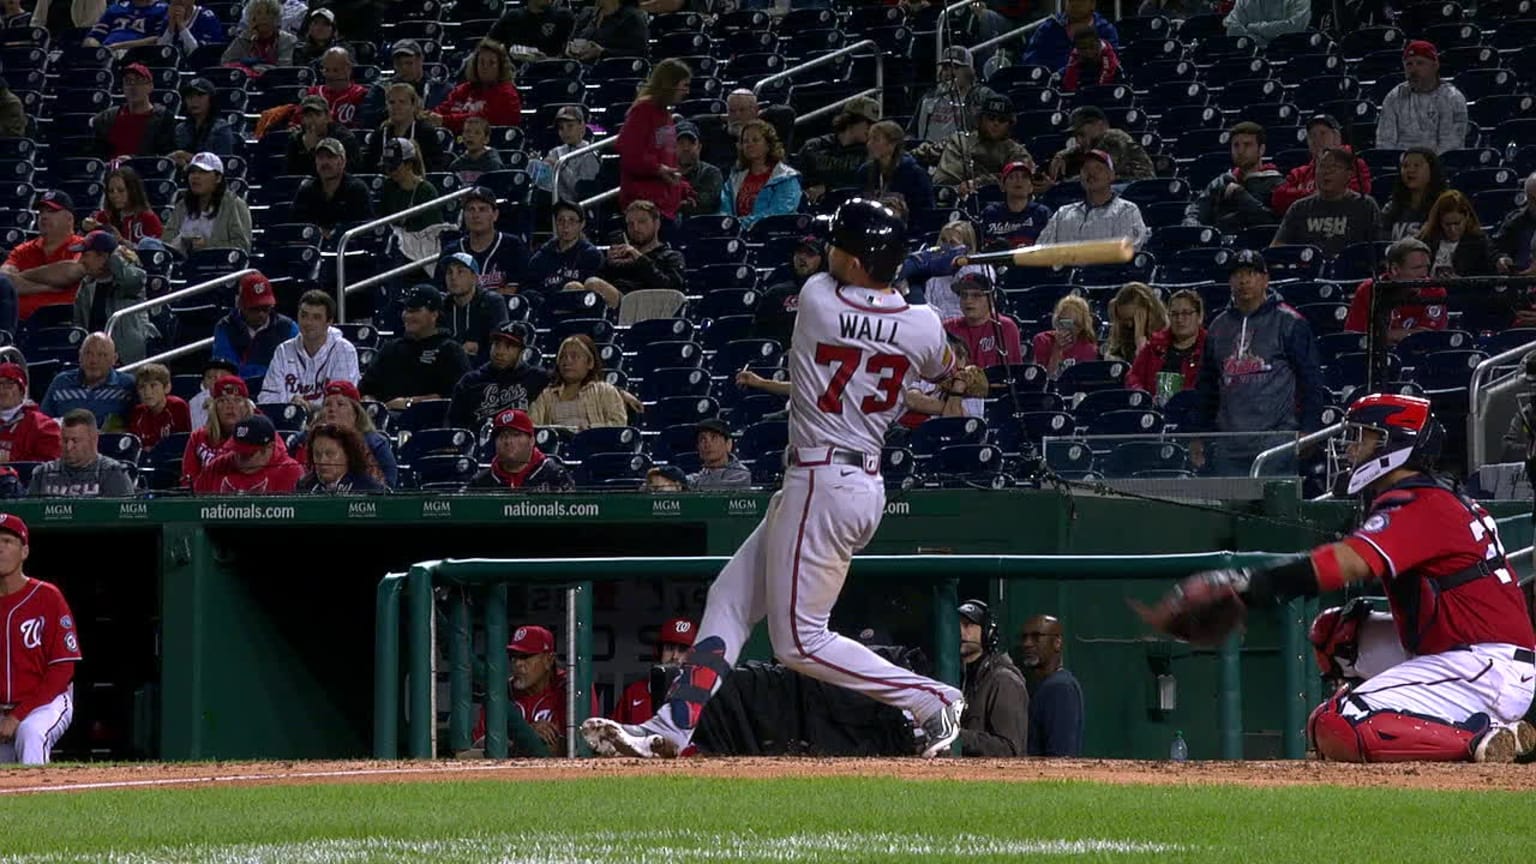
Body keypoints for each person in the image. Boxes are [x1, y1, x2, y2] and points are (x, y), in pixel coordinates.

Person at [581, 199, 969, 761]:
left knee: (799, 641)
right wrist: (932, 290)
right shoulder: (925, 324)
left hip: (824, 482)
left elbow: (861, 297)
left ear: (860, 261)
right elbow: (941, 367)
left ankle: (931, 698)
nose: (828, 251)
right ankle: (672, 727)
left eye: (839, 245)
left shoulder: (818, 300)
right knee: (731, 601)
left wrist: (912, 266)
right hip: (846, 483)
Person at [1141, 393, 1536, 763]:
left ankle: (1481, 739)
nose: (1350, 449)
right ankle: (1400, 720)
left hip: (1484, 663)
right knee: (1336, 634)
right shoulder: (1432, 495)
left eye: (1362, 437)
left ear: (1392, 444)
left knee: (1338, 723)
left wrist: (1250, 586)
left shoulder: (1423, 503)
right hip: (1459, 649)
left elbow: (1344, 564)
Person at [1192, 250, 1327, 475]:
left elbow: (1311, 381)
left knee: (1274, 508)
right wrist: (1199, 434)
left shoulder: (1289, 322)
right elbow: (1207, 388)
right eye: (1237, 275)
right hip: (1228, 443)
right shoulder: (1217, 327)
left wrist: (1309, 430)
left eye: (1251, 273)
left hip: (1276, 441)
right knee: (1229, 508)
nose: (1244, 280)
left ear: (1265, 279)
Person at [0, 514, 82, 765]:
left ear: (24, 552)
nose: (0, 548)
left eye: (7, 541)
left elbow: (63, 669)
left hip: (45, 703)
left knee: (31, 733)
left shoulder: (47, 597)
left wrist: (17, 716)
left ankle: (38, 801)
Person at [359, 285, 472, 410]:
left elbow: (459, 395)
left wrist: (410, 403)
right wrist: (369, 402)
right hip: (386, 422)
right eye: (406, 310)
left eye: (414, 311)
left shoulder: (450, 350)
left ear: (434, 314)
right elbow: (365, 389)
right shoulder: (390, 349)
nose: (407, 316)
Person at [472, 624, 575, 756]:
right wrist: (527, 735)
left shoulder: (567, 689)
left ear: (548, 660)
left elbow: (572, 747)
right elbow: (477, 747)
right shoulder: (502, 692)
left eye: (525, 656)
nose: (517, 664)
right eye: (514, 656)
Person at [617, 59, 692, 222]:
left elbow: (666, 158)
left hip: (664, 205)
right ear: (670, 84)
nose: (687, 91)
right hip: (645, 207)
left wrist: (682, 188)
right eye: (684, 85)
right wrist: (658, 169)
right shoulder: (642, 111)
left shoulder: (665, 114)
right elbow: (630, 154)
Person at [257, 290, 360, 408]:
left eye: (316, 317)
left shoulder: (344, 350)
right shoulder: (283, 351)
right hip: (290, 424)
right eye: (304, 315)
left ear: (329, 322)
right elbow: (266, 399)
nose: (308, 323)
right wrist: (291, 401)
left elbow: (343, 402)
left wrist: (305, 408)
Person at [1273, 147, 1382, 258]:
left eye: (1334, 167)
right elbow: (1277, 247)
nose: (1326, 172)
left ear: (1349, 174)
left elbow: (1378, 249)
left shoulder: (1365, 205)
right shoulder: (1299, 208)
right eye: (1322, 166)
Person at [1, 190, 84, 328]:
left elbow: (69, 272)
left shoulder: (83, 246)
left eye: (52, 211)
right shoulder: (23, 250)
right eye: (42, 212)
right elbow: (5, 282)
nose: (44, 216)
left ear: (69, 219)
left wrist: (22, 277)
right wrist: (51, 285)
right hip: (18, 327)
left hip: (62, 326)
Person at [289, 380, 396, 486]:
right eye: (327, 404)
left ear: (356, 412)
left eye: (340, 404)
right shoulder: (303, 441)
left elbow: (388, 488)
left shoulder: (376, 443)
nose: (332, 409)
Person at [1037, 149, 1151, 249]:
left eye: (1098, 168)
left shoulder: (1126, 210)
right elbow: (1042, 249)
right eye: (1086, 169)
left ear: (1111, 175)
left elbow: (1126, 251)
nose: (1091, 173)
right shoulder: (1063, 213)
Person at [582, 200, 687, 308]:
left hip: (647, 305)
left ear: (656, 224)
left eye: (641, 222)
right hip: (615, 302)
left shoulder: (671, 256)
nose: (635, 228)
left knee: (593, 283)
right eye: (630, 224)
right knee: (573, 287)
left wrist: (639, 259)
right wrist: (608, 264)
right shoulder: (623, 254)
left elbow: (672, 288)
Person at [957, 599, 1028, 757]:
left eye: (968, 625)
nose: (961, 632)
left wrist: (956, 736)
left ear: (988, 632)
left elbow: (1009, 750)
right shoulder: (961, 677)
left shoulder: (1004, 681)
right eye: (957, 625)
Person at [1185, 121, 1285, 234]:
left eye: (1247, 145)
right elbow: (1198, 210)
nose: (1240, 151)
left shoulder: (1276, 183)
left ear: (1261, 149)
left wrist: (1240, 194)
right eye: (1236, 145)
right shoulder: (1220, 182)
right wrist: (1191, 222)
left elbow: (1273, 222)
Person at [449, 322, 550, 431]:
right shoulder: (470, 382)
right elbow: (454, 427)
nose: (500, 352)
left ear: (522, 352)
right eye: (497, 344)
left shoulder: (537, 378)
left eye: (509, 346)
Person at [1343, 238, 1446, 344]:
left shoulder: (1434, 290)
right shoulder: (1369, 290)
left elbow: (1428, 337)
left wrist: (1381, 335)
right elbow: (1354, 336)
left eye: (1426, 267)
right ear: (1394, 269)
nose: (1424, 274)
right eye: (1417, 268)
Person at [69, 231, 150, 364]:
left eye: (86, 255)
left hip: (126, 356)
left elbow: (129, 279)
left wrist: (114, 255)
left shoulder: (132, 279)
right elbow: (79, 323)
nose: (81, 260)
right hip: (94, 357)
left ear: (103, 256)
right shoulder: (86, 285)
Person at [1376, 41, 1468, 154]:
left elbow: (1450, 146)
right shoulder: (1394, 97)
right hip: (1401, 166)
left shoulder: (1452, 98)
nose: (1413, 70)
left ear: (1435, 65)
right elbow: (1385, 142)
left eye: (1420, 63)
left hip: (1438, 167)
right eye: (1409, 64)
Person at [1271, 114, 1373, 216]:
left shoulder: (1355, 165)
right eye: (1312, 135)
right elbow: (1278, 198)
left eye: (1323, 133)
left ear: (1337, 137)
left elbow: (1353, 196)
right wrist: (1319, 196)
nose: (1317, 140)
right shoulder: (1300, 173)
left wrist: (1304, 195)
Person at [931, 95, 1033, 195]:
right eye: (991, 118)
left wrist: (980, 182)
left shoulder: (1016, 151)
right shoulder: (960, 142)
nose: (996, 123)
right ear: (980, 119)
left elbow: (1021, 180)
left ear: (1010, 123)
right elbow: (946, 180)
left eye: (1002, 120)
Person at [438, 187, 530, 296]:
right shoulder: (451, 251)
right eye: (470, 209)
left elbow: (518, 290)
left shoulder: (513, 246)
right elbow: (440, 292)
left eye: (482, 209)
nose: (476, 215)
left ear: (495, 215)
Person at [528, 334, 626, 432]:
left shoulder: (605, 391)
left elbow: (619, 424)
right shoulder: (546, 396)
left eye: (574, 356)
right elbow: (531, 427)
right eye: (562, 357)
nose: (567, 361)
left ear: (590, 363)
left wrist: (590, 429)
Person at [28, 409, 134, 498]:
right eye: (65, 440)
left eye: (75, 441)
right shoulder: (42, 473)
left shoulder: (112, 472)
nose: (69, 447)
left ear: (93, 439)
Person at [40, 332, 135, 431]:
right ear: (80, 356)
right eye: (88, 353)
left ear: (114, 359)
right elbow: (44, 424)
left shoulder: (128, 385)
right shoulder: (60, 383)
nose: (94, 360)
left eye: (102, 355)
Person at [1018, 614, 1084, 757]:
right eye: (1024, 638)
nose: (1027, 644)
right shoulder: (1046, 685)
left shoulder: (1060, 687)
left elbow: (1060, 755)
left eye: (1036, 637)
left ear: (1057, 642)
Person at [162, 152, 253, 255]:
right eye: (192, 172)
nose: (195, 176)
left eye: (203, 172)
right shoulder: (182, 205)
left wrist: (208, 245)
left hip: (219, 267)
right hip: (181, 266)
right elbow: (166, 242)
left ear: (218, 178)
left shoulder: (234, 204)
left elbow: (242, 247)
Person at [212, 272, 298, 380]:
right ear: (241, 305)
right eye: (254, 309)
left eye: (266, 308)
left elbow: (296, 368)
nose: (261, 314)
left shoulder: (288, 328)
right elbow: (225, 371)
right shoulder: (225, 327)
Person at [610, 618, 696, 724]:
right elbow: (614, 734)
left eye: (682, 650)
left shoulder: (698, 697)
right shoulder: (635, 691)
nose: (675, 656)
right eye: (669, 648)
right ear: (659, 651)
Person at [720, 120, 802, 230]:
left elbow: (779, 212)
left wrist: (742, 224)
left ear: (768, 145)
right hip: (736, 237)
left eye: (755, 140)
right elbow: (724, 209)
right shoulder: (735, 178)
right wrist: (728, 225)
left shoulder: (786, 177)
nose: (749, 144)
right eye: (745, 141)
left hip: (772, 236)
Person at [1127, 288, 1206, 402]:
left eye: (1186, 313)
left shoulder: (1210, 348)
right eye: (1174, 314)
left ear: (1200, 317)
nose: (1179, 319)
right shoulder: (1154, 346)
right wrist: (1142, 395)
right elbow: (1133, 376)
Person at [192, 413, 303, 494]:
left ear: (269, 447)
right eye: (236, 451)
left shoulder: (290, 472)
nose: (240, 457)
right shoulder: (217, 467)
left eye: (247, 454)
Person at [794, 101, 877, 207]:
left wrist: (827, 188)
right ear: (850, 120)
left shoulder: (870, 153)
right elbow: (795, 179)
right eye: (869, 123)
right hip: (813, 209)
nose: (872, 129)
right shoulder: (815, 147)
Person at [468, 408, 573, 491]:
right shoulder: (480, 482)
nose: (508, 441)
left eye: (516, 435)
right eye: (502, 436)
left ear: (531, 441)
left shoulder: (555, 476)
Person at [431, 39, 522, 133]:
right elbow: (443, 109)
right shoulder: (464, 89)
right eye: (481, 62)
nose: (485, 67)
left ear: (501, 67)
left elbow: (482, 121)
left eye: (491, 63)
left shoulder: (507, 94)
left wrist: (444, 120)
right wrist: (430, 116)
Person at [911, 47, 999, 145]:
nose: (949, 73)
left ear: (968, 71)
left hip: (967, 155)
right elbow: (911, 133)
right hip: (930, 154)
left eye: (955, 67)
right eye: (945, 68)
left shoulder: (983, 96)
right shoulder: (929, 98)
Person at [291, 137, 375, 240]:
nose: (325, 162)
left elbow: (364, 227)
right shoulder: (307, 190)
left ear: (342, 161)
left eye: (330, 157)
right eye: (320, 157)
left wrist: (334, 233)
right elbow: (297, 225)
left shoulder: (357, 189)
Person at [1047, 106, 1155, 184]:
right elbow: (1077, 149)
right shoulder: (1092, 142)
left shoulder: (1113, 137)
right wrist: (1060, 156)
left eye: (1081, 134)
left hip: (1138, 185)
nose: (1078, 140)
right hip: (1118, 185)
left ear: (1100, 125)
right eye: (1076, 136)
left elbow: (1095, 173)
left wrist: (1058, 185)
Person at [182, 375, 257, 485]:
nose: (230, 406)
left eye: (237, 400)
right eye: (223, 400)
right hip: (204, 499)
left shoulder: (259, 435)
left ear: (246, 407)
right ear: (214, 407)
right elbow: (188, 480)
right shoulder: (198, 437)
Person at [90, 63, 175, 161]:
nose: (133, 86)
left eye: (139, 81)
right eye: (128, 81)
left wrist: (134, 159)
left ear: (150, 86)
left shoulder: (164, 118)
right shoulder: (108, 118)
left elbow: (164, 155)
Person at [752, 235, 823, 347]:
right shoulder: (776, 293)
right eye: (799, 252)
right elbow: (759, 335)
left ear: (821, 259)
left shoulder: (829, 293)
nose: (802, 257)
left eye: (810, 254)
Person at [943, 272, 1023, 369]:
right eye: (964, 295)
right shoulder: (948, 328)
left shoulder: (1004, 327)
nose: (968, 301)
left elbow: (1013, 372)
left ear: (992, 299)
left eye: (976, 295)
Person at [361, 40, 451, 125]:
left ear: (420, 59)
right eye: (399, 64)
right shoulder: (381, 88)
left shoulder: (440, 88)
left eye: (409, 63)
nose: (404, 68)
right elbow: (366, 117)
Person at [362, 83, 446, 174]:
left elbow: (435, 168)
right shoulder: (379, 134)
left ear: (413, 105)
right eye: (391, 102)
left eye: (402, 102)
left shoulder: (426, 133)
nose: (396, 107)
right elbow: (369, 168)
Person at [525, 201, 604, 295]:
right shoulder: (541, 256)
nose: (565, 225)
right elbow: (528, 288)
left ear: (582, 224)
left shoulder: (591, 255)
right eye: (561, 220)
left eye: (572, 220)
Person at [441, 253, 509, 359]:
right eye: (449, 272)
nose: (453, 277)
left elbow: (501, 342)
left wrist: (480, 347)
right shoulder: (442, 305)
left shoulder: (492, 302)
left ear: (474, 278)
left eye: (460, 272)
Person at [1023, 0, 1119, 72]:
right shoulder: (1049, 28)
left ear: (1092, 4)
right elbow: (1031, 61)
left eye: (1080, 1)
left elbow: (1110, 64)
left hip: (1092, 87)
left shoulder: (1105, 31)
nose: (1074, 4)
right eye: (1070, 0)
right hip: (1050, 88)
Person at [1417, 189, 1495, 278]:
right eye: (1447, 224)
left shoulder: (1479, 242)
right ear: (1439, 221)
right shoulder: (1426, 240)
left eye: (1457, 223)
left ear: (1466, 217)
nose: (1452, 229)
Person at [860, 120, 935, 212]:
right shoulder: (865, 171)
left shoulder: (915, 174)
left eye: (876, 139)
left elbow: (926, 212)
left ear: (892, 144)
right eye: (869, 139)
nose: (869, 144)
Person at [295, 422, 386, 493]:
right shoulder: (304, 485)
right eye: (317, 454)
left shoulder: (368, 488)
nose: (322, 461)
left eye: (330, 454)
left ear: (348, 454)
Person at [979, 162, 1051, 251]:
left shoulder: (1042, 213)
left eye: (1024, 177)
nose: (1018, 180)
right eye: (1012, 177)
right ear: (1002, 186)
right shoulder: (990, 213)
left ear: (1031, 187)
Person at [84, 168, 163, 248]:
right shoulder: (103, 217)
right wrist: (85, 230)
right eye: (111, 191)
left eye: (121, 190)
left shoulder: (148, 218)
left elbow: (155, 253)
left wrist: (122, 241)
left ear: (132, 191)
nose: (115, 195)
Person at [376, 138, 444, 231]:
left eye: (395, 166)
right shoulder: (388, 186)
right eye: (387, 167)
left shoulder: (426, 190)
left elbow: (434, 228)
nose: (390, 171)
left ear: (409, 164)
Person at [1380, 148, 1447, 241]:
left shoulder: (1445, 207)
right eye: (1405, 166)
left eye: (1417, 165)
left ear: (1432, 171)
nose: (1410, 170)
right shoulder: (1390, 208)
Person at [285, 96, 362, 177]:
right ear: (302, 120)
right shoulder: (296, 140)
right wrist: (307, 152)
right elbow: (290, 175)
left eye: (318, 115)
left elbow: (350, 172)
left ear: (328, 117)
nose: (313, 120)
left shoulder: (344, 138)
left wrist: (313, 150)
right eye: (308, 116)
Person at [537, 105, 599, 205]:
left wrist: (559, 166)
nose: (565, 131)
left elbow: (582, 192)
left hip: (577, 209)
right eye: (561, 128)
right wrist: (538, 168)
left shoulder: (590, 153)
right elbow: (544, 186)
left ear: (582, 126)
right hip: (553, 205)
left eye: (570, 126)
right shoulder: (555, 152)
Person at [0, 364, 60, 465]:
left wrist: (12, 461)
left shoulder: (43, 426)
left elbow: (50, 465)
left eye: (9, 384)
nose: (1, 390)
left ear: (21, 390)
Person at [299, 46, 369, 129]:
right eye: (326, 70)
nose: (330, 75)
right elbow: (297, 123)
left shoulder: (361, 94)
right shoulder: (313, 93)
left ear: (348, 69)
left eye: (336, 70)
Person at [126, 363, 189, 452]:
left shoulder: (177, 406)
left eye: (153, 385)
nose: (147, 392)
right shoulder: (138, 412)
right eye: (142, 387)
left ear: (167, 387)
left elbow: (184, 442)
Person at [1032, 293, 1099, 377]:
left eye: (1072, 324)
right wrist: (1057, 349)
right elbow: (1045, 379)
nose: (1066, 328)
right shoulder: (1042, 340)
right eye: (1063, 322)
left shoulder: (1088, 348)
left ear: (1081, 326)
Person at [1103, 282, 1169, 364]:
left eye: (1133, 319)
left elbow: (1148, 369)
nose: (1129, 325)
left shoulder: (1169, 332)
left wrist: (1140, 340)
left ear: (1149, 311)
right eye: (1125, 320)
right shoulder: (1121, 332)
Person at [220, 0, 297, 71]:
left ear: (276, 18)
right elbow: (226, 62)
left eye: (269, 13)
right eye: (258, 13)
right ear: (251, 18)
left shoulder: (287, 39)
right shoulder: (244, 38)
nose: (263, 18)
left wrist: (256, 68)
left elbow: (284, 69)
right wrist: (247, 38)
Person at [488, 0, 574, 59]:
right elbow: (487, 44)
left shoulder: (564, 17)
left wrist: (545, 60)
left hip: (555, 74)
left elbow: (571, 50)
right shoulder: (512, 17)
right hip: (517, 76)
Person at [568, 0, 648, 61]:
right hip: (581, 70)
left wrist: (602, 52)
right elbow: (572, 39)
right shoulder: (587, 13)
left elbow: (640, 53)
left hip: (613, 74)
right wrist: (569, 48)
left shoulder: (632, 18)